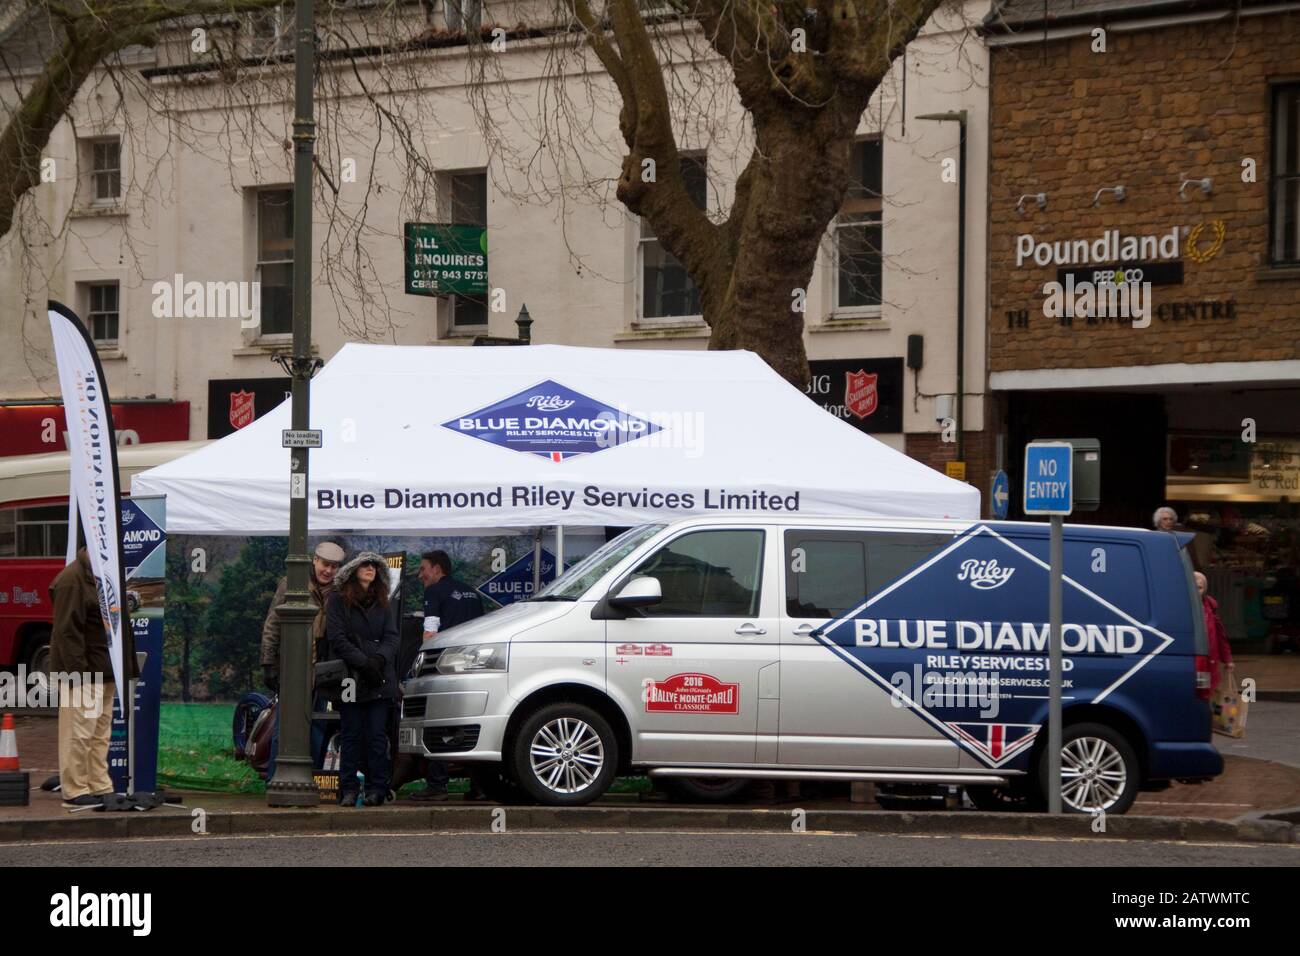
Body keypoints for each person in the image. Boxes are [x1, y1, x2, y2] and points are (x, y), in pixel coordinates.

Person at [48, 544, 129, 809]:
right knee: (80, 730)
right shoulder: (71, 580)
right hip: (83, 671)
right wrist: (79, 673)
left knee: (99, 732)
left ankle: (99, 783)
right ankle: (75, 788)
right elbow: (67, 632)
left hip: (102, 668)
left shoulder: (102, 575)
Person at [260, 538, 346, 777]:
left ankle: (312, 778)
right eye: (325, 564)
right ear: (315, 560)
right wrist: (268, 662)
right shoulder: (291, 584)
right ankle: (276, 778)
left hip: (324, 667)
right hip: (294, 664)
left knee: (318, 724)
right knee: (285, 726)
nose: (328, 571)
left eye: (334, 567)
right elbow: (272, 624)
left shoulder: (339, 592)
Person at [408, 549, 485, 802]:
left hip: (444, 667)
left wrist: (416, 669)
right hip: (476, 669)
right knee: (475, 725)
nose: (420, 575)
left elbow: (429, 634)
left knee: (437, 724)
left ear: (437, 569)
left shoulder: (434, 592)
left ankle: (437, 785)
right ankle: (481, 786)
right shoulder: (473, 593)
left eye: (423, 569)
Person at [326, 551, 400, 807]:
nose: (371, 569)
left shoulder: (383, 602)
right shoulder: (337, 600)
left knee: (378, 736)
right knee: (351, 734)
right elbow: (337, 638)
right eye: (365, 565)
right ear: (353, 570)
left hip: (380, 676)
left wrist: (379, 660)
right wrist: (363, 662)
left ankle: (377, 788)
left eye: (374, 566)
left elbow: (392, 636)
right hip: (351, 676)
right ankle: (348, 788)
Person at [1196, 571, 1235, 691]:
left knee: (1206, 691)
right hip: (1194, 661)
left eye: (1200, 588)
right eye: (1194, 587)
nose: (1197, 591)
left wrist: (1227, 659)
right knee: (1198, 692)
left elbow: (1220, 635)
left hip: (1208, 660)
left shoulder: (1210, 606)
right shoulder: (1181, 606)